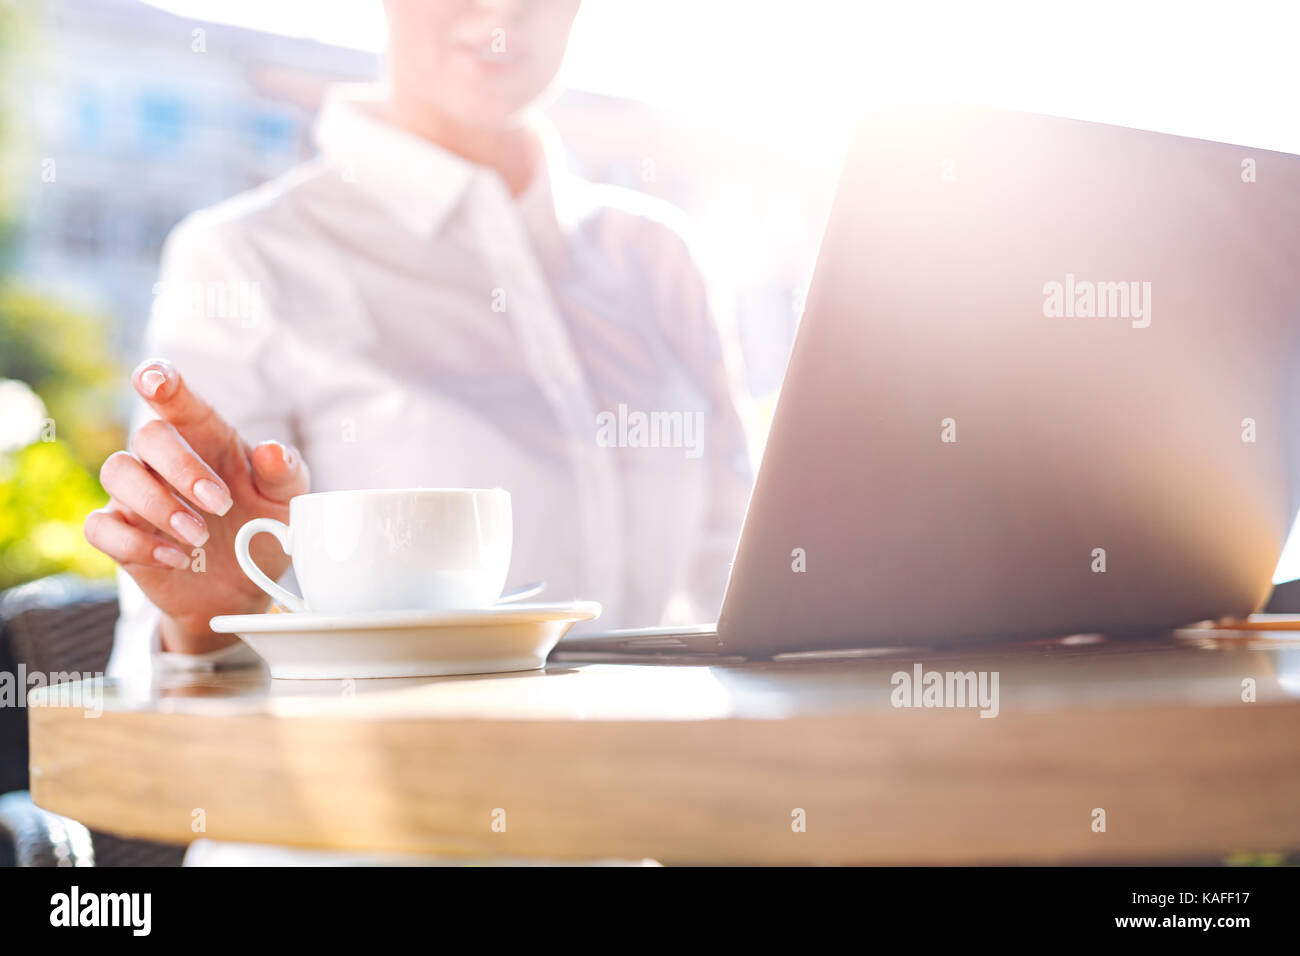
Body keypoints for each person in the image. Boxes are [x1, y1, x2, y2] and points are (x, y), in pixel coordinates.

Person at [85, 0, 752, 678]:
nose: (503, 10)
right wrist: (208, 628)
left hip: (678, 762)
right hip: (408, 774)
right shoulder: (244, 257)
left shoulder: (660, 257)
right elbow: (159, 675)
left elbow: (741, 567)